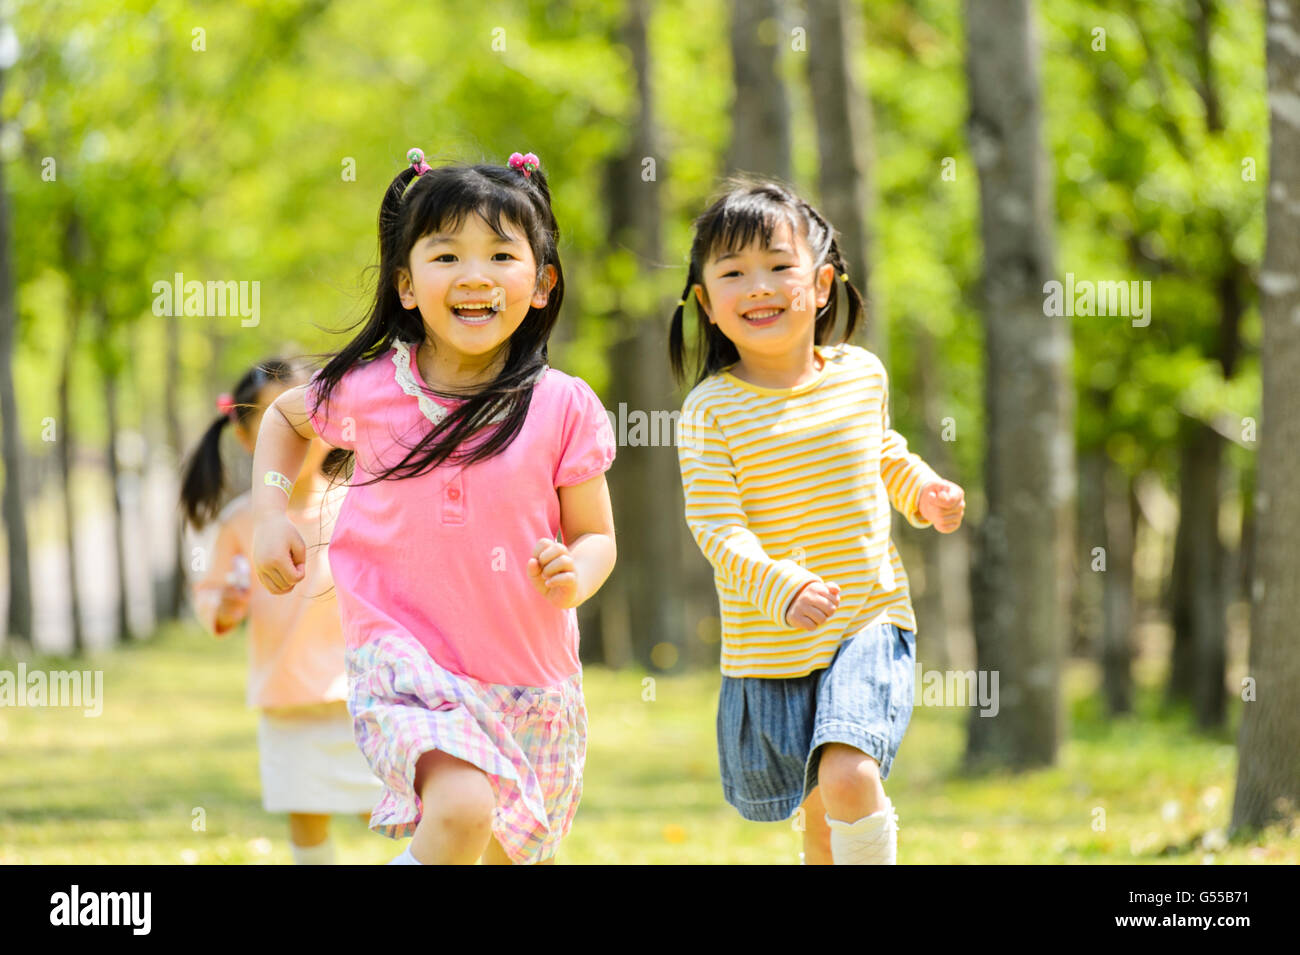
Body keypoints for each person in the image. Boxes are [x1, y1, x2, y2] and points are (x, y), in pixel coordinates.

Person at [249, 148, 617, 865]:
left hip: (531, 680)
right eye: (446, 255)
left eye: (502, 255)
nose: (475, 275)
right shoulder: (370, 390)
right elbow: (284, 422)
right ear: (407, 286)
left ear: (541, 284)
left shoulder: (563, 405)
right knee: (462, 805)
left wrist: (577, 571)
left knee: (492, 846)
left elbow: (597, 533)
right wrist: (270, 514)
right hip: (405, 661)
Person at [670, 178, 966, 865]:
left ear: (823, 283)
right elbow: (717, 527)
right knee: (819, 817)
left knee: (848, 775)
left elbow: (882, 453)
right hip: (771, 641)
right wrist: (780, 585)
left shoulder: (861, 375)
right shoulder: (710, 411)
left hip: (869, 615)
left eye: (779, 265)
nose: (760, 286)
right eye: (734, 273)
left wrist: (924, 492)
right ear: (708, 306)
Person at [180, 357, 383, 864]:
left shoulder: (360, 501)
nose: (299, 437)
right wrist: (222, 606)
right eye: (281, 425)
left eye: (310, 422)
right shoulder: (241, 522)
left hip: (365, 695)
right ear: (251, 440)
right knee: (307, 814)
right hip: (287, 696)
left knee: (385, 812)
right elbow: (211, 594)